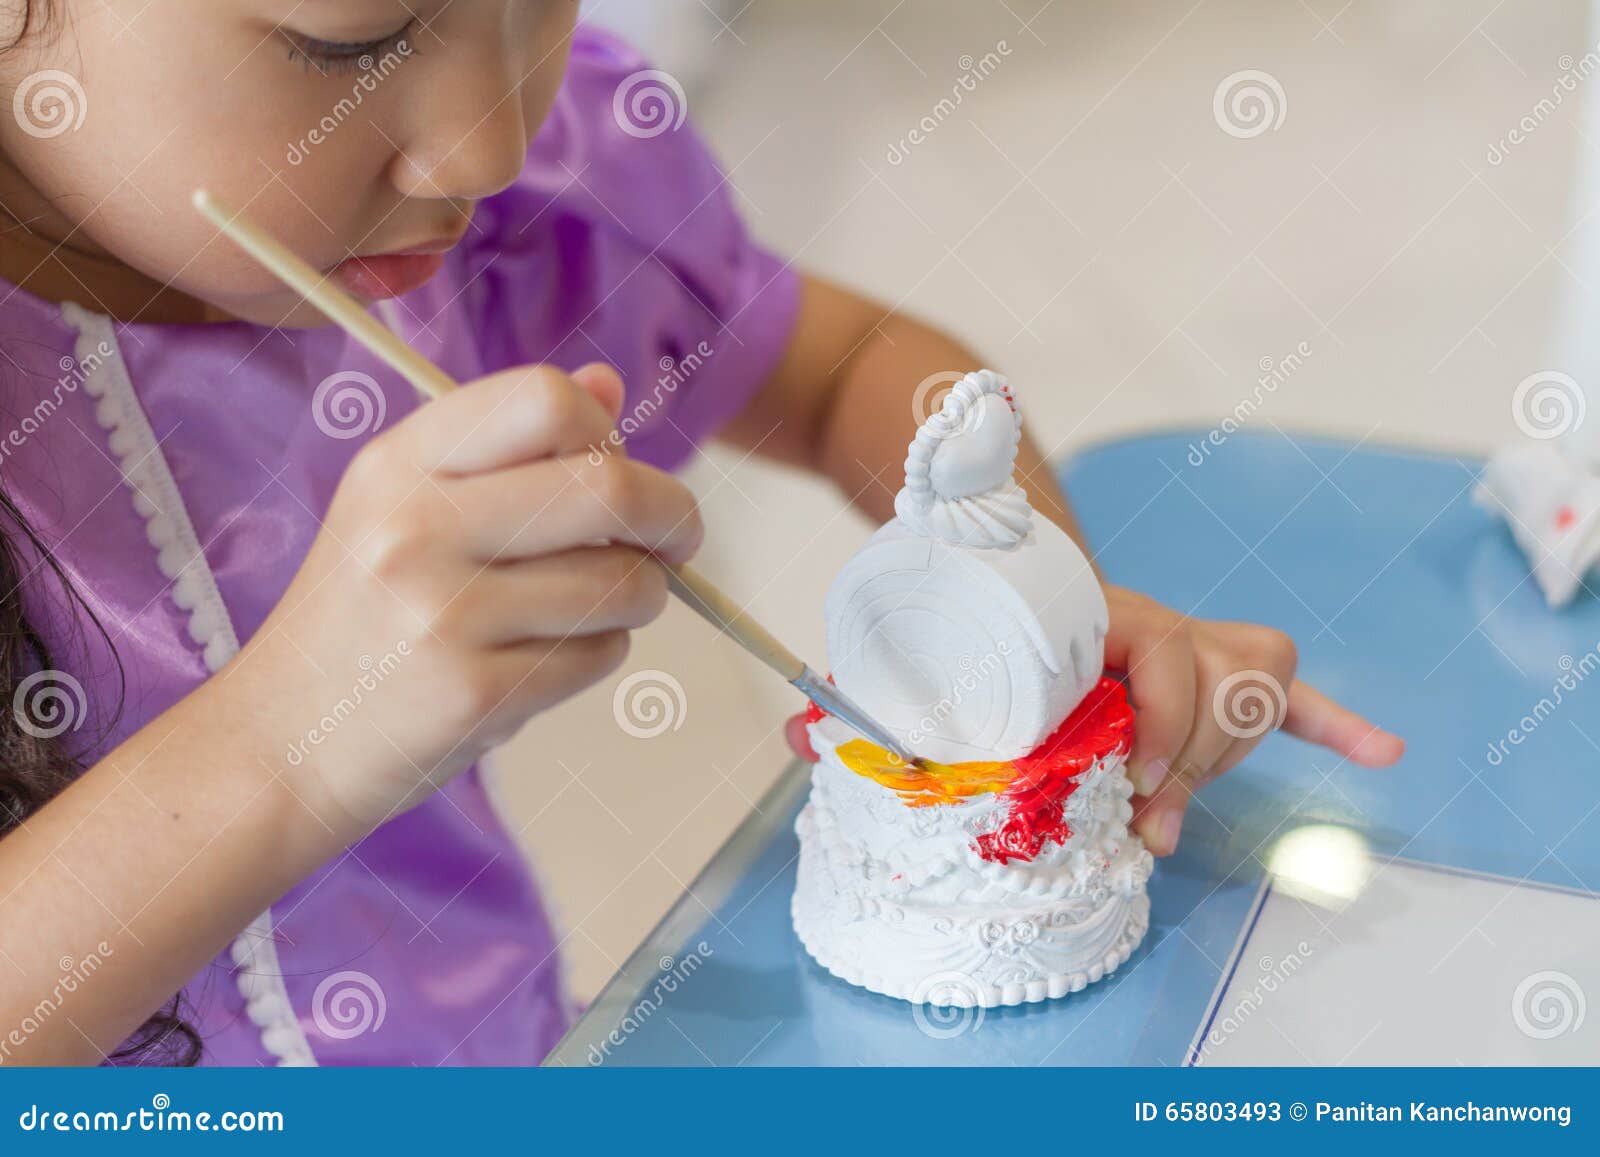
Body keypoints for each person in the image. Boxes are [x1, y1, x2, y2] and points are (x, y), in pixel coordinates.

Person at [0, 2, 1402, 1066]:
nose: (486, 139)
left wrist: (1024, 606)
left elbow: (852, 369)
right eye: (349, 36)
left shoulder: (493, 209)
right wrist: (291, 741)